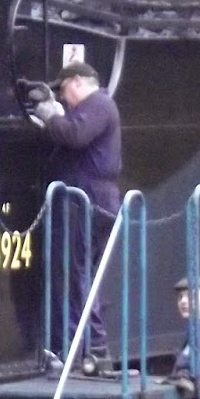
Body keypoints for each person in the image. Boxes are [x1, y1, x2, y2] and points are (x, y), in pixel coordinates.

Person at [24, 62, 121, 365]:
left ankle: (73, 350)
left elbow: (75, 135)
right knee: (81, 276)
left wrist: (51, 116)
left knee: (72, 273)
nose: (64, 99)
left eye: (64, 91)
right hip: (90, 198)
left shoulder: (99, 104)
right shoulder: (95, 107)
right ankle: (92, 346)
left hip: (87, 199)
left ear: (78, 82)